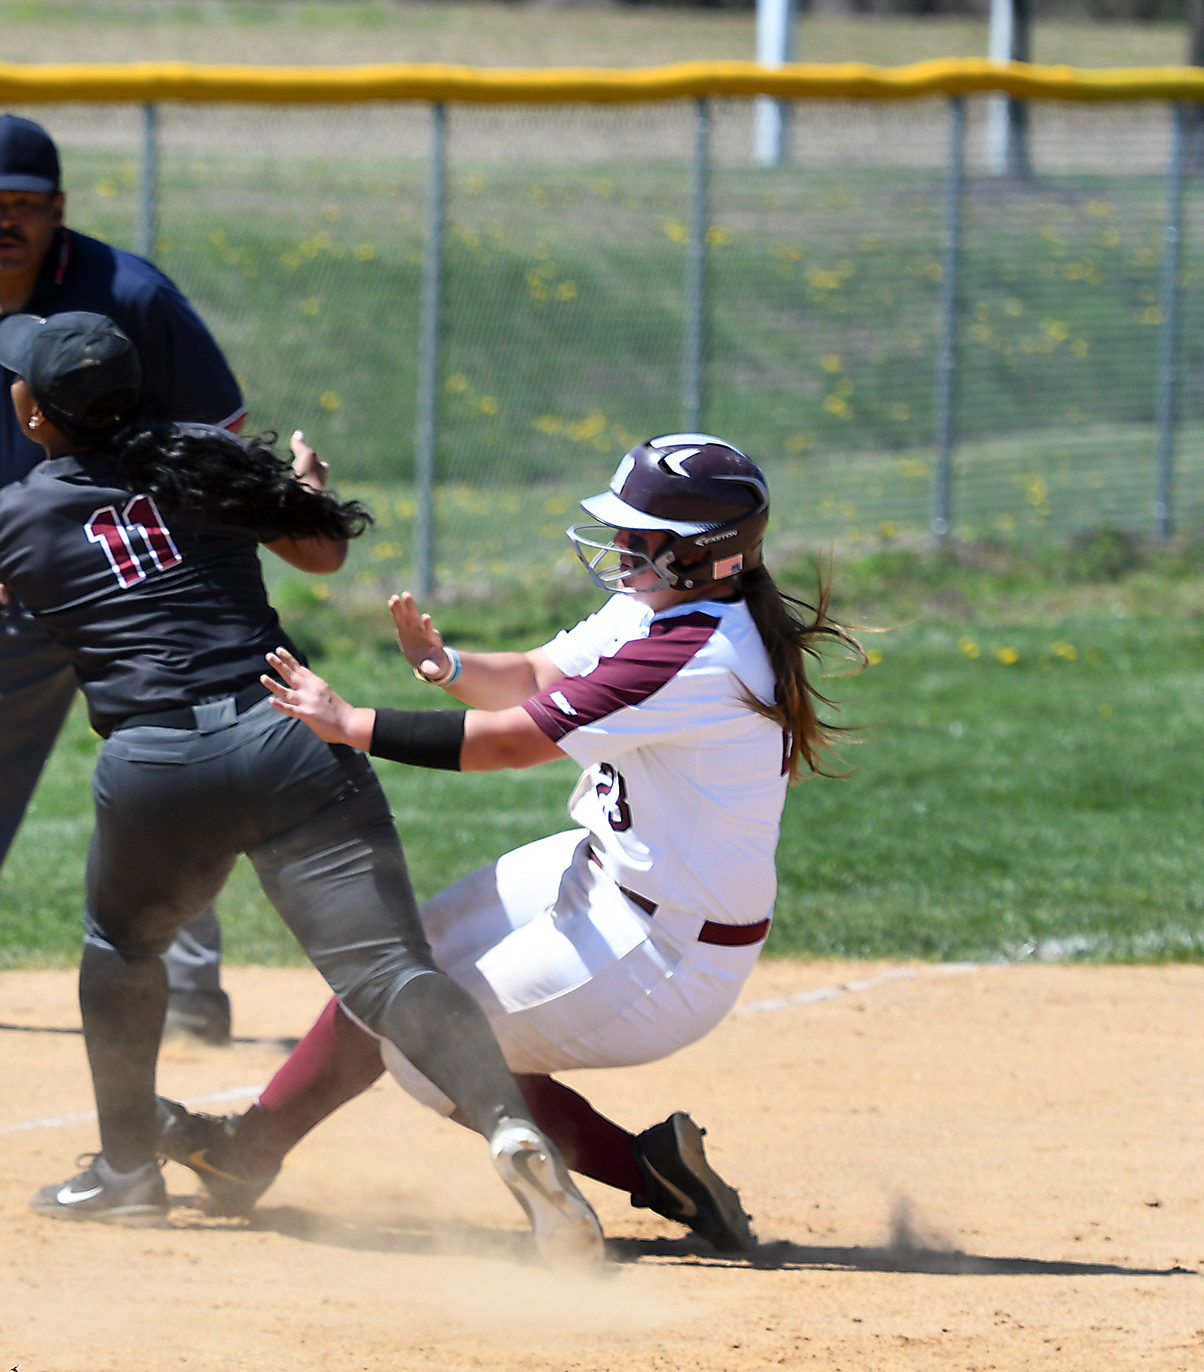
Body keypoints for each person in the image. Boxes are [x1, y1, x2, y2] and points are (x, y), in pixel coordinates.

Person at [0, 309, 607, 1261]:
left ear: (37, 416)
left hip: (157, 768)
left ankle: (127, 1174)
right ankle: (512, 1130)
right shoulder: (198, 455)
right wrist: (304, 488)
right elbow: (322, 553)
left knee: (123, 949)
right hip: (287, 733)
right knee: (387, 970)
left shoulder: (16, 512)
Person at [159, 432, 859, 1254]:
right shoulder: (660, 605)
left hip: (662, 949)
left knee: (423, 1049)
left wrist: (351, 727)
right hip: (604, 876)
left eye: (643, 535)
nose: (624, 545)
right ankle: (249, 1154)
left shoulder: (698, 654)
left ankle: (652, 1172)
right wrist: (445, 663)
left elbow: (510, 744)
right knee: (393, 971)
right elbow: (535, 676)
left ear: (701, 555)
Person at [0, 113, 250, 1039]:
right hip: (21, 580)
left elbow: (222, 433)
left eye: (22, 205)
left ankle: (190, 997)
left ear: (58, 208)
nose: (4, 221)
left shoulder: (132, 294)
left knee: (171, 777)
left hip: (144, 581)